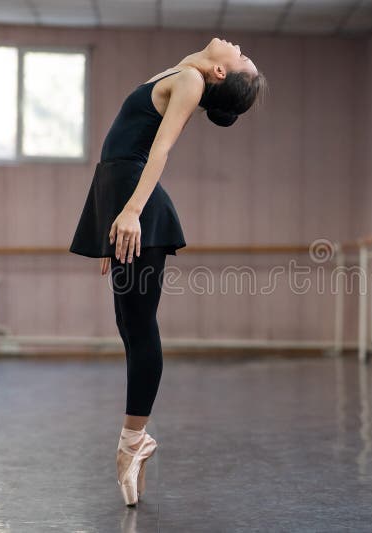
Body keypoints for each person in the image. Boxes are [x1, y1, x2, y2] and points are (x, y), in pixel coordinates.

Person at [68, 37, 267, 506]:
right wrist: (111, 221)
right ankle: (135, 442)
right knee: (128, 326)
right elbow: (118, 152)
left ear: (219, 73)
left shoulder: (192, 80)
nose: (237, 46)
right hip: (123, 204)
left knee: (140, 330)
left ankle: (133, 442)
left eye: (240, 58)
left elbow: (158, 151)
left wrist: (132, 211)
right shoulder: (182, 72)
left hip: (142, 212)